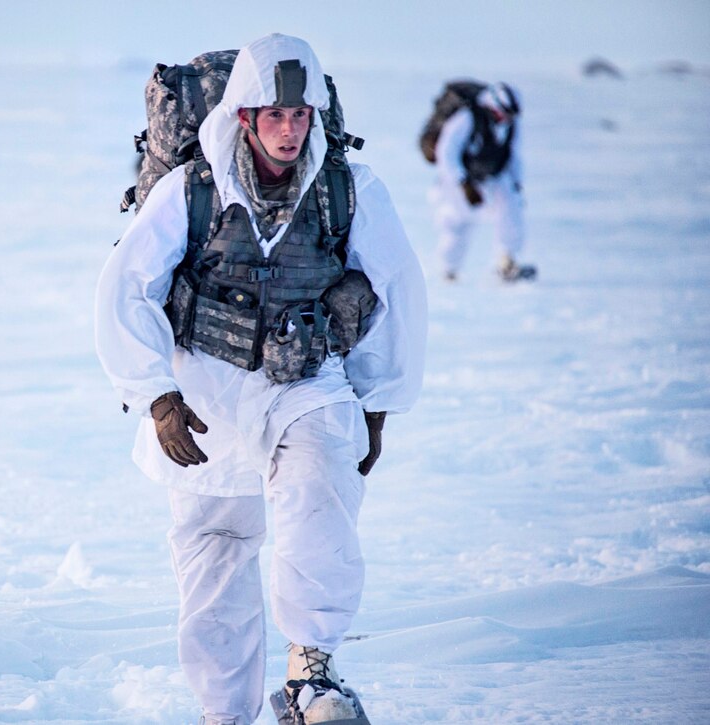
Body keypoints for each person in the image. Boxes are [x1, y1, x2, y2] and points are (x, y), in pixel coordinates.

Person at [95, 34, 426, 725]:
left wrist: (379, 402)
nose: (288, 130)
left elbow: (396, 288)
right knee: (214, 553)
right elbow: (127, 286)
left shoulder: (349, 187)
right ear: (244, 116)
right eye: (273, 116)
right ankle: (225, 711)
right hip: (205, 389)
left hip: (306, 378)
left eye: (300, 115)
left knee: (322, 482)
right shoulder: (191, 188)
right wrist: (158, 393)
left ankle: (312, 671)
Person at [428, 81, 534, 282]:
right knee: (457, 223)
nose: (506, 118)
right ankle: (448, 271)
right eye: (504, 113)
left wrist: (516, 184)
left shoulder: (510, 125)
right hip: (461, 180)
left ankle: (507, 262)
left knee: (510, 210)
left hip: (494, 178)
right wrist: (463, 183)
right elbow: (446, 153)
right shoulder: (467, 118)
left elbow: (513, 156)